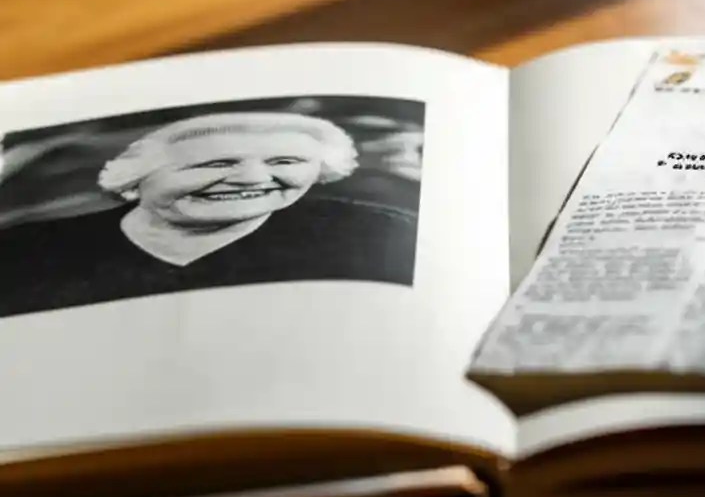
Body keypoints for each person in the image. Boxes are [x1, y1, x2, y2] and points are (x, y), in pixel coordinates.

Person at [0, 112, 418, 318]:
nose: (252, 179)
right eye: (214, 164)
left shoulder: (372, 233)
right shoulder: (23, 252)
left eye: (286, 162)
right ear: (133, 180)